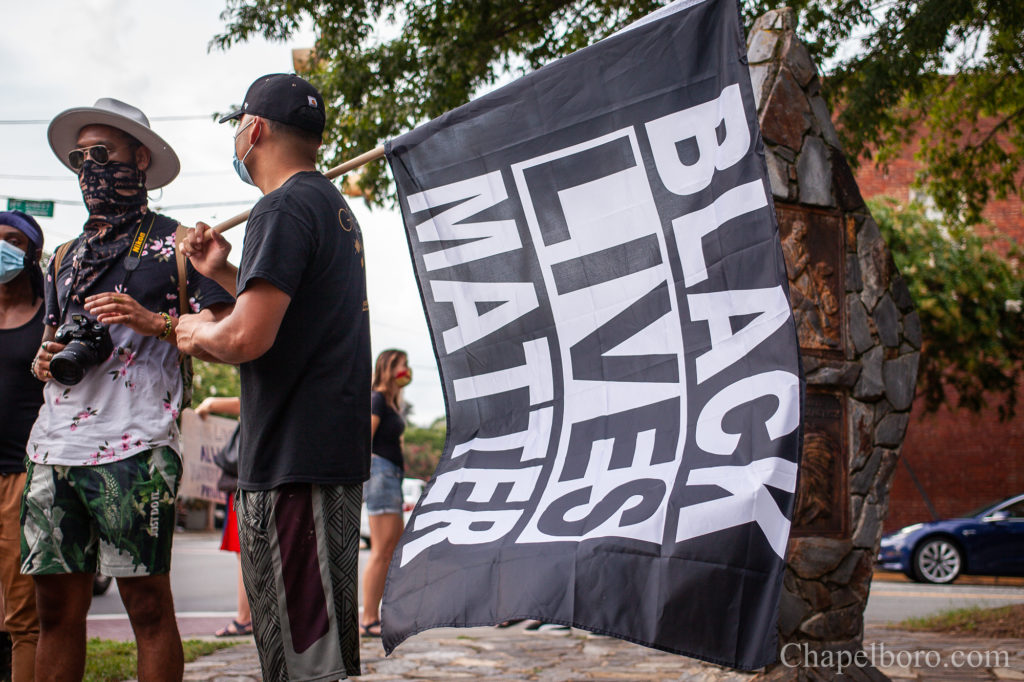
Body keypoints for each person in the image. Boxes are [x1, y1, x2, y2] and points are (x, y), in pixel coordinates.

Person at [22, 98, 234, 681]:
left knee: (146, 607)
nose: (89, 168)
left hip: (135, 446)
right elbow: (49, 345)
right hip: (53, 448)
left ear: (139, 158)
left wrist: (153, 321)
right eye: (78, 158)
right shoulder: (64, 256)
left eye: (102, 154)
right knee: (55, 613)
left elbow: (226, 333)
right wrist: (45, 358)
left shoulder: (179, 248)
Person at [175, 73, 371, 681]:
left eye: (238, 125)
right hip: (322, 457)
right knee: (320, 651)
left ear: (253, 129)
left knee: (302, 661)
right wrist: (225, 270)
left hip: (292, 461)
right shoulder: (328, 207)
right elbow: (290, 308)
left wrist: (187, 331)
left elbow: (244, 336)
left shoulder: (280, 207)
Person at [0, 209, 46, 681]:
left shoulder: (47, 315)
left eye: (13, 240)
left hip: (22, 478)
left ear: (33, 250)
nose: (3, 248)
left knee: (23, 619)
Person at [359, 349, 411, 638]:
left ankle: (377, 613)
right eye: (403, 365)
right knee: (381, 550)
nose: (407, 370)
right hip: (380, 474)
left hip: (391, 474)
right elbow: (364, 437)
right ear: (389, 367)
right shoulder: (377, 398)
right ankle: (367, 618)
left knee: (390, 549)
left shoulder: (391, 402)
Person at [194, 396, 252, 637]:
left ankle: (245, 618)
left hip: (248, 478)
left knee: (245, 553)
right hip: (261, 473)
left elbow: (245, 402)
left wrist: (210, 403)